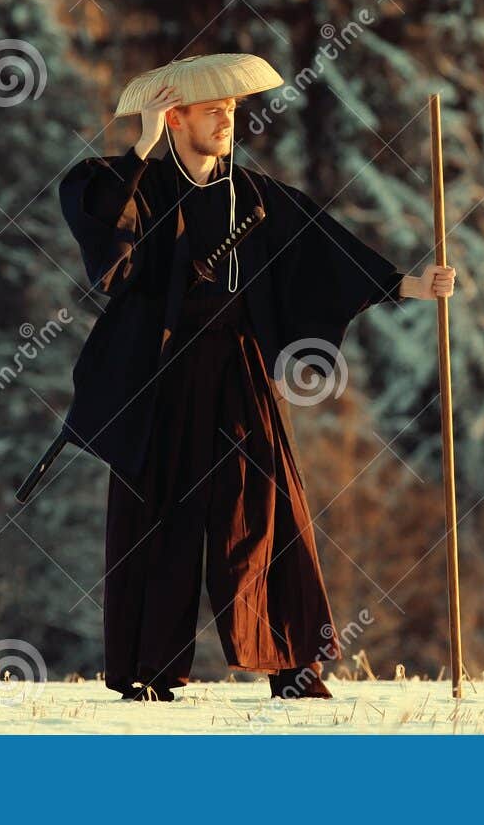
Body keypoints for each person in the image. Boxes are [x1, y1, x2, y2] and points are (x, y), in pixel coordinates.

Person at [54, 53, 455, 701]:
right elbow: (106, 241)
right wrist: (142, 146)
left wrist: (409, 285)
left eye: (232, 110)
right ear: (176, 116)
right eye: (211, 110)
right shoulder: (138, 185)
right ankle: (151, 673)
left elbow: (325, 250)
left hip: (238, 370)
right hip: (160, 379)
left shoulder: (255, 196)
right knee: (158, 519)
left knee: (267, 512)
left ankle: (293, 666)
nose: (226, 121)